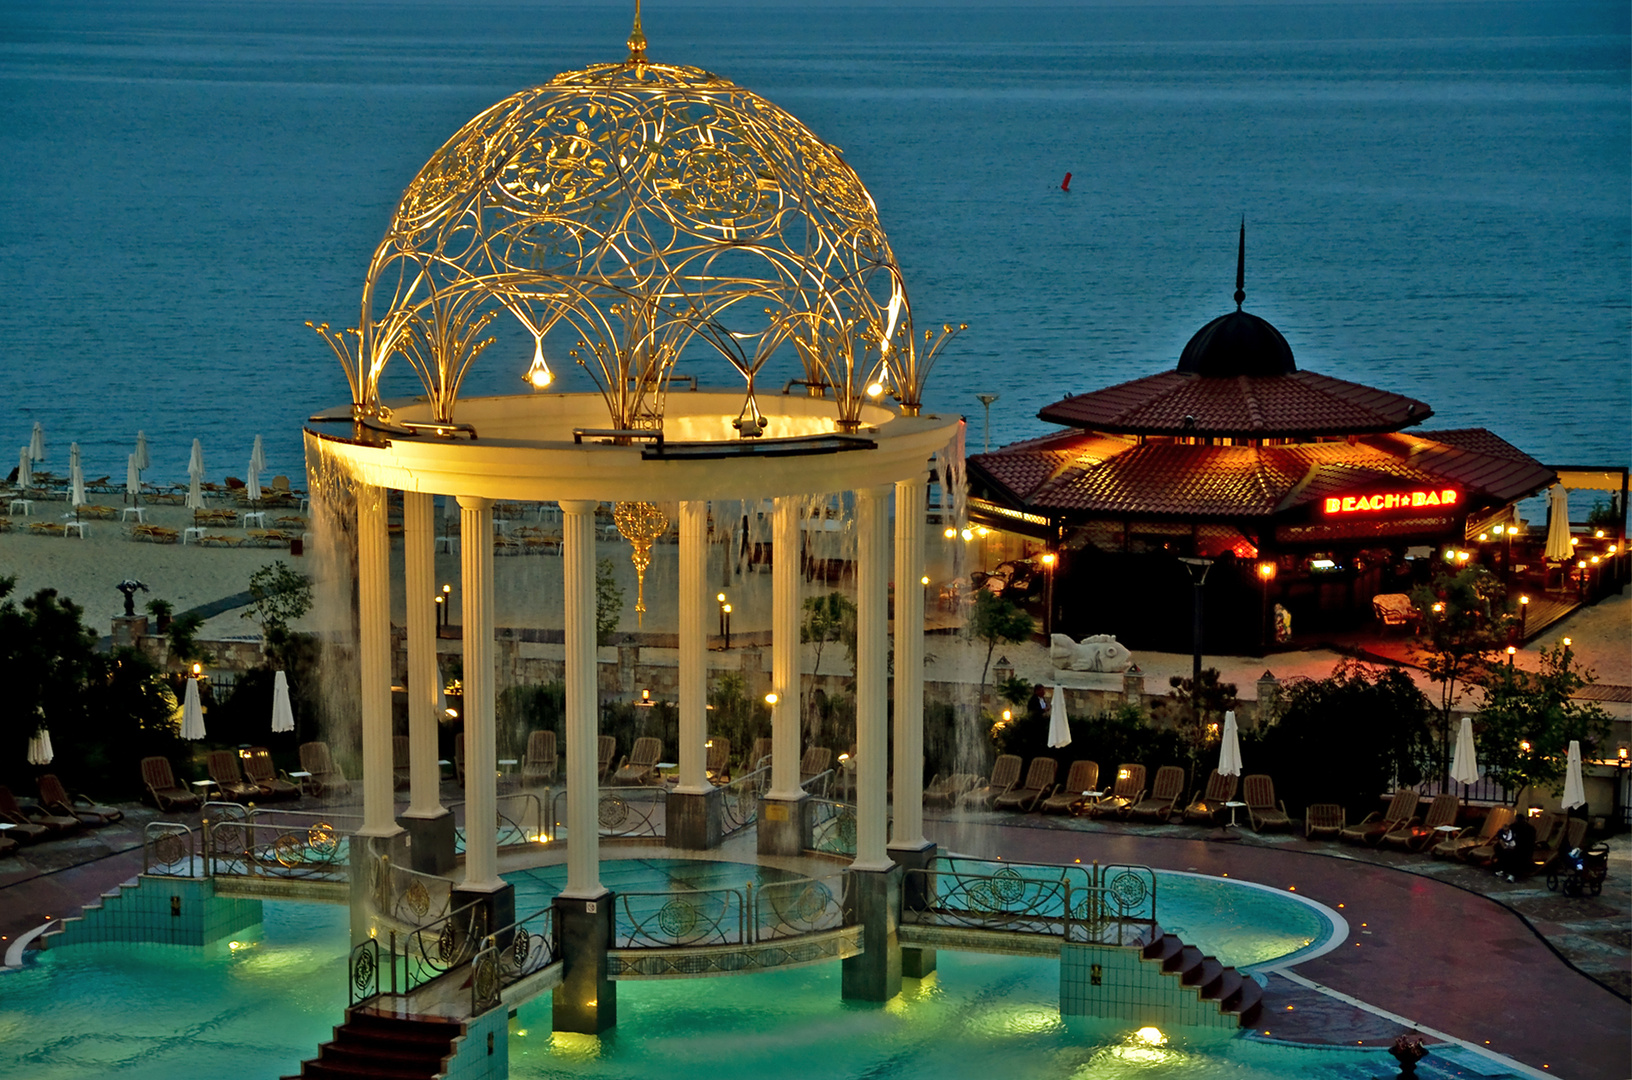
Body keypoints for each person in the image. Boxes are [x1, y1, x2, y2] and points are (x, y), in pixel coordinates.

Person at [1493, 813, 1536, 882]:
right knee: (1498, 847)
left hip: (1524, 849)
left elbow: (1527, 843)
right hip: (1515, 846)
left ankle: (1512, 874)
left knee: (1515, 852)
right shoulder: (1513, 827)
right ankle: (1504, 869)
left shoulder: (1529, 829)